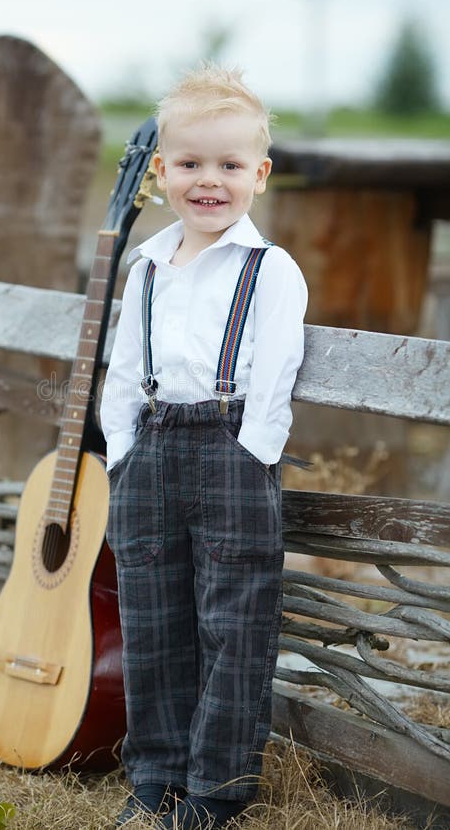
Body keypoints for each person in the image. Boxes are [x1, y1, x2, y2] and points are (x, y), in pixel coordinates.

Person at [100, 64, 308, 830]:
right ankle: (153, 777)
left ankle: (215, 792)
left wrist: (254, 453)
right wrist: (121, 447)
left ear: (260, 174)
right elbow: (124, 370)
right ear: (161, 172)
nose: (208, 181)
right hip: (150, 448)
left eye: (229, 166)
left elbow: (278, 369)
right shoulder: (147, 267)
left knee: (232, 625)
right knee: (150, 620)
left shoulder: (270, 270)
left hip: (232, 448)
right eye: (190, 164)